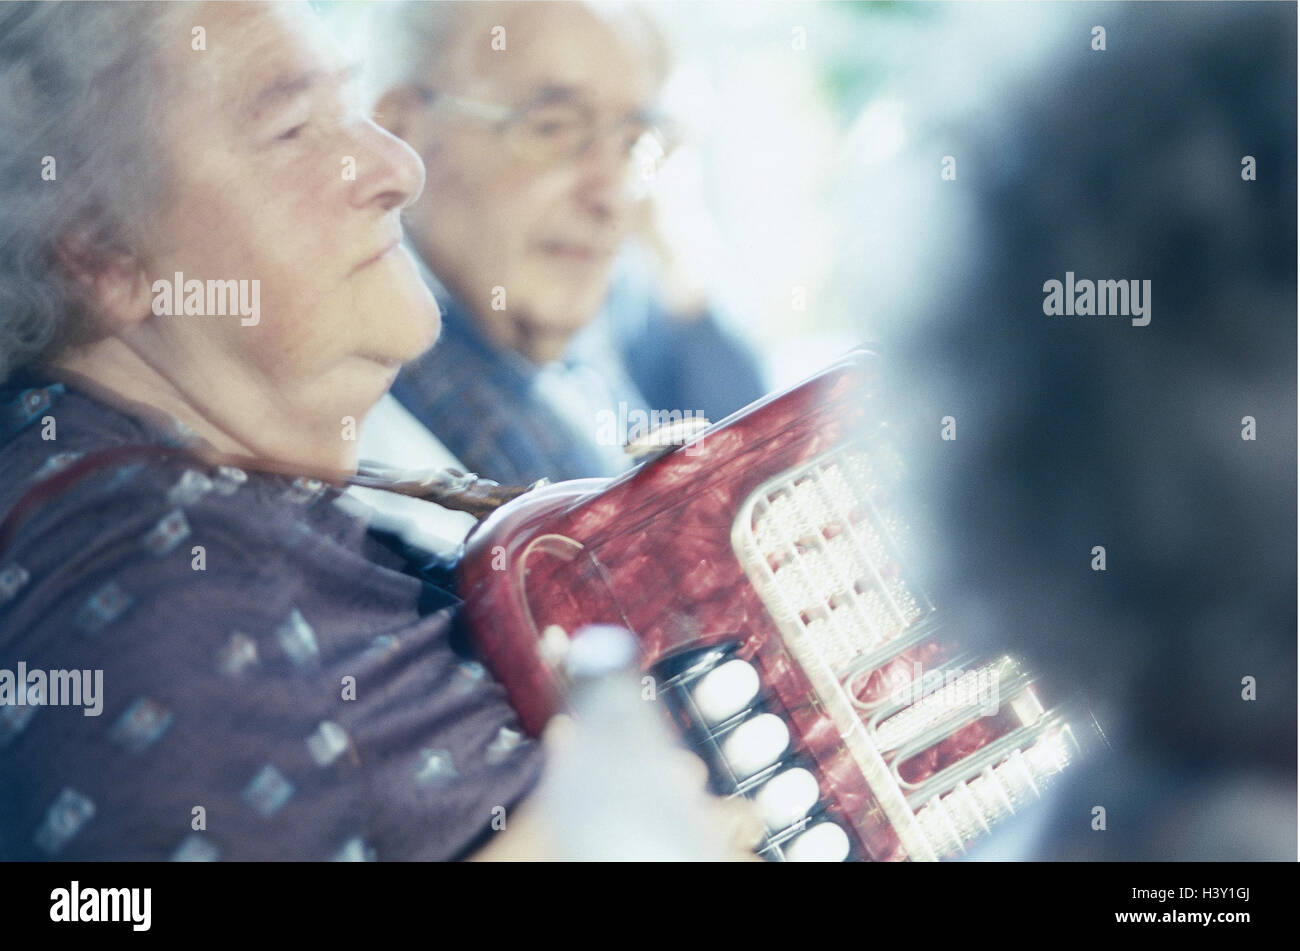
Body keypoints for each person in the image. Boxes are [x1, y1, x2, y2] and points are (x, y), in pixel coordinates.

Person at [0, 0, 755, 862]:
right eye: (292, 128)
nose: (397, 165)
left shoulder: (222, 483)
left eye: (349, 110)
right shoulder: (136, 583)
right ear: (103, 252)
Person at [367, 1, 767, 486]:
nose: (614, 194)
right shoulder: (359, 433)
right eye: (552, 127)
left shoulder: (596, 338)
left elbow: (750, 453)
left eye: (632, 141)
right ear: (400, 134)